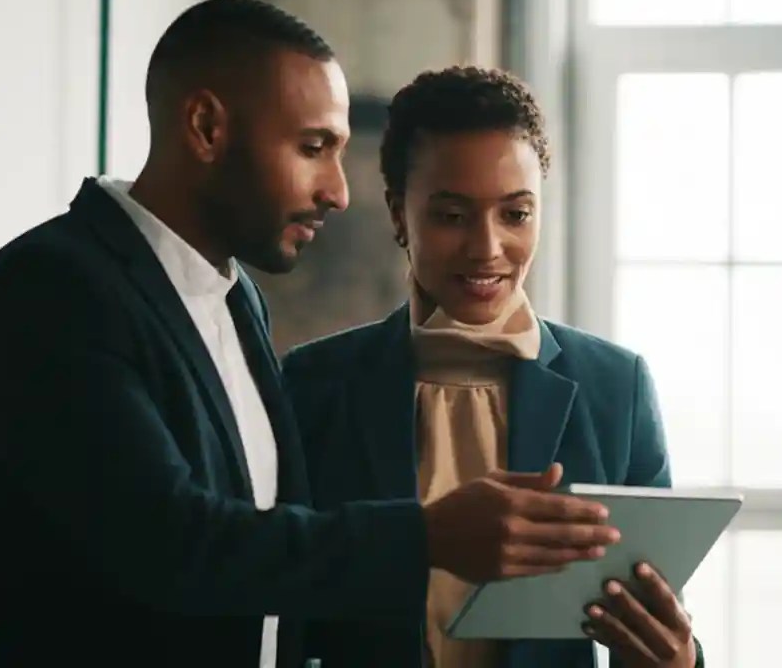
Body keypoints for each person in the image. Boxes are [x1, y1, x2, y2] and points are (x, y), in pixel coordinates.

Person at [0, 0, 620, 668]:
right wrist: (426, 536)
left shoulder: (240, 305)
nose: (337, 190)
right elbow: (172, 543)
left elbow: (270, 568)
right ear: (206, 127)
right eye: (313, 147)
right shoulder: (52, 289)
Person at [282, 66, 702, 667]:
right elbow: (279, 609)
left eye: (516, 214)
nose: (487, 247)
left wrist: (681, 661)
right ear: (400, 214)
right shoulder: (314, 386)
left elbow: (660, 616)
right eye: (452, 216)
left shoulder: (615, 390)